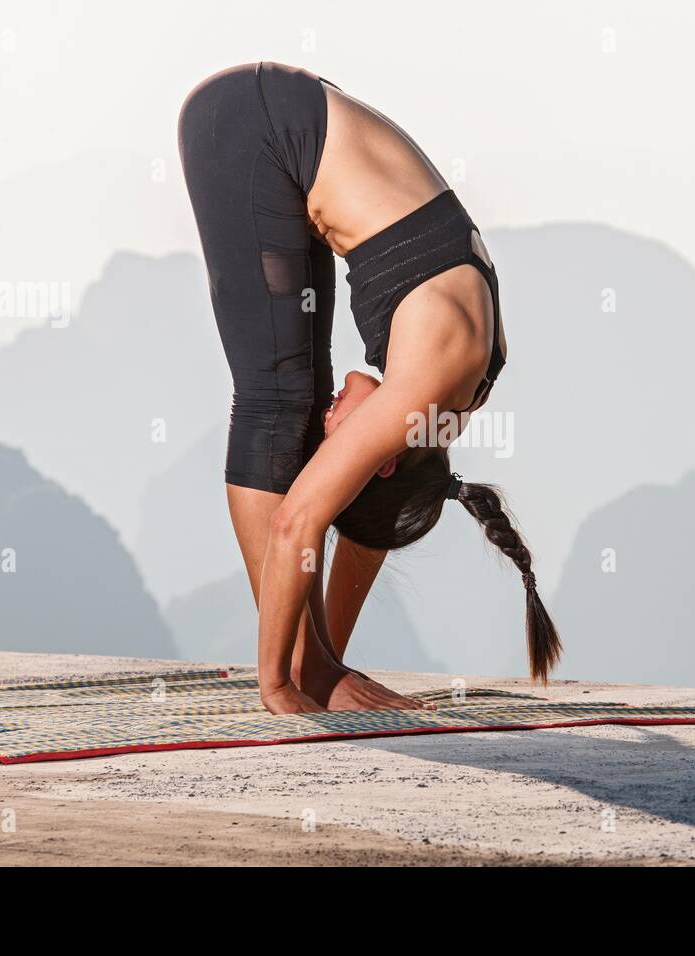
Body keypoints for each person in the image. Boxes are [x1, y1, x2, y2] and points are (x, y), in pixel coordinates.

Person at [178, 62, 559, 715]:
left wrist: (328, 671)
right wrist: (278, 686)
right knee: (277, 401)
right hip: (248, 123)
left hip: (291, 118)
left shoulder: (451, 403)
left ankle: (319, 664)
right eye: (344, 444)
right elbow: (299, 521)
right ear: (384, 456)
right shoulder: (420, 391)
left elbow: (365, 513)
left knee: (301, 390)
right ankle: (301, 668)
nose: (333, 425)